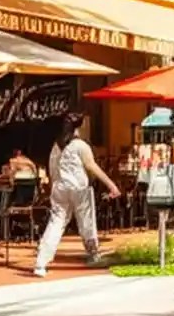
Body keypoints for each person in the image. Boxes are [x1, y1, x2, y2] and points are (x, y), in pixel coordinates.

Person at [34, 112, 120, 277]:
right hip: (79, 187)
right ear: (79, 128)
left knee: (55, 223)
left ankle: (41, 261)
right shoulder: (80, 146)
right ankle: (93, 254)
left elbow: (52, 169)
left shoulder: (56, 146)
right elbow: (92, 166)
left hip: (59, 188)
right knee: (86, 221)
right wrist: (111, 185)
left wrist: (53, 187)